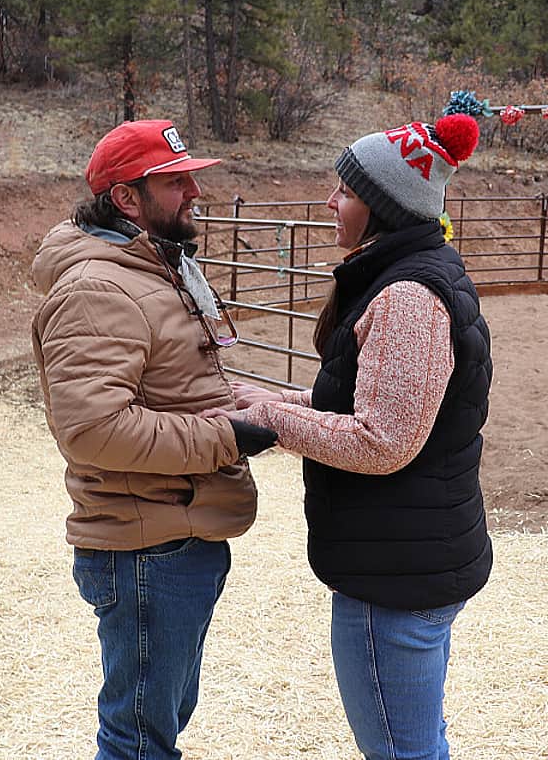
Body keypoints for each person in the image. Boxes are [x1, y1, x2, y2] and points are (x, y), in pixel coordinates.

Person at [211, 114, 494, 759]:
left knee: (401, 751)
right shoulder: (414, 276)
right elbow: (376, 396)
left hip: (393, 574)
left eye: (344, 191)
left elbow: (382, 438)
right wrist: (281, 399)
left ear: (382, 206)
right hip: (412, 556)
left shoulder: (407, 298)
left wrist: (274, 422)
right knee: (417, 743)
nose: (330, 202)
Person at [30, 119, 277, 760]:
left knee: (153, 726)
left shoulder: (150, 268)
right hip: (148, 546)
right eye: (174, 181)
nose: (193, 190)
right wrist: (227, 437)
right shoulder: (99, 289)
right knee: (139, 740)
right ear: (126, 199)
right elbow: (93, 429)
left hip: (174, 532)